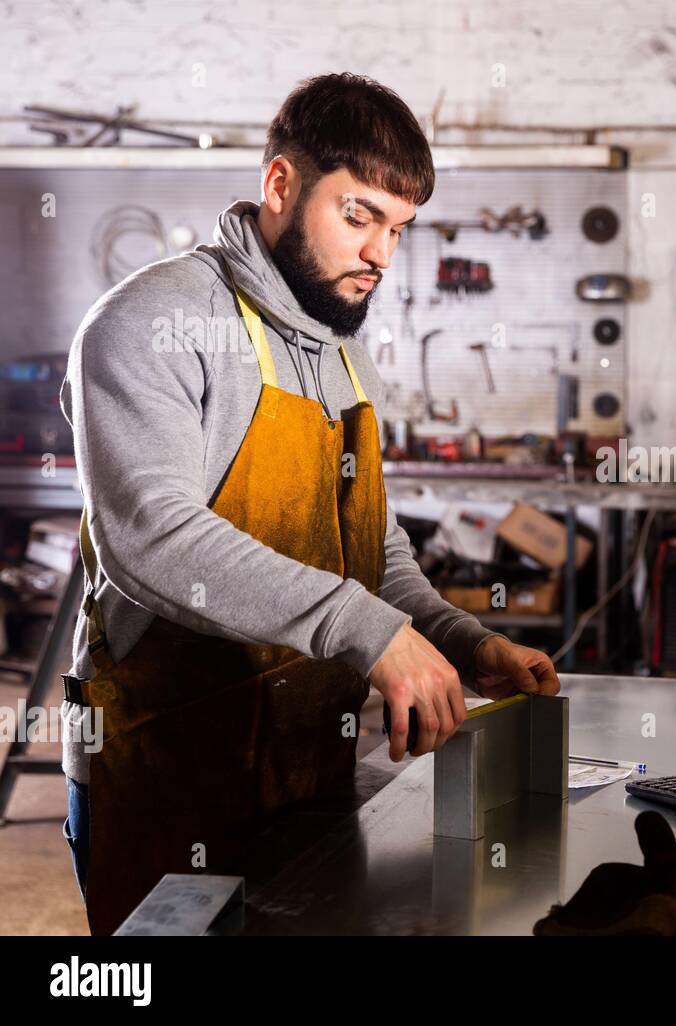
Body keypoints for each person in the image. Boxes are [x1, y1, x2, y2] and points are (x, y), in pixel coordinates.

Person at [58, 72, 560, 935]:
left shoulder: (340, 352)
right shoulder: (153, 321)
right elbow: (152, 536)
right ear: (280, 186)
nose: (381, 256)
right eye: (358, 215)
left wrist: (460, 642)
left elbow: (376, 552)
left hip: (305, 766)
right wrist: (368, 633)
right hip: (167, 764)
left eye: (399, 229)